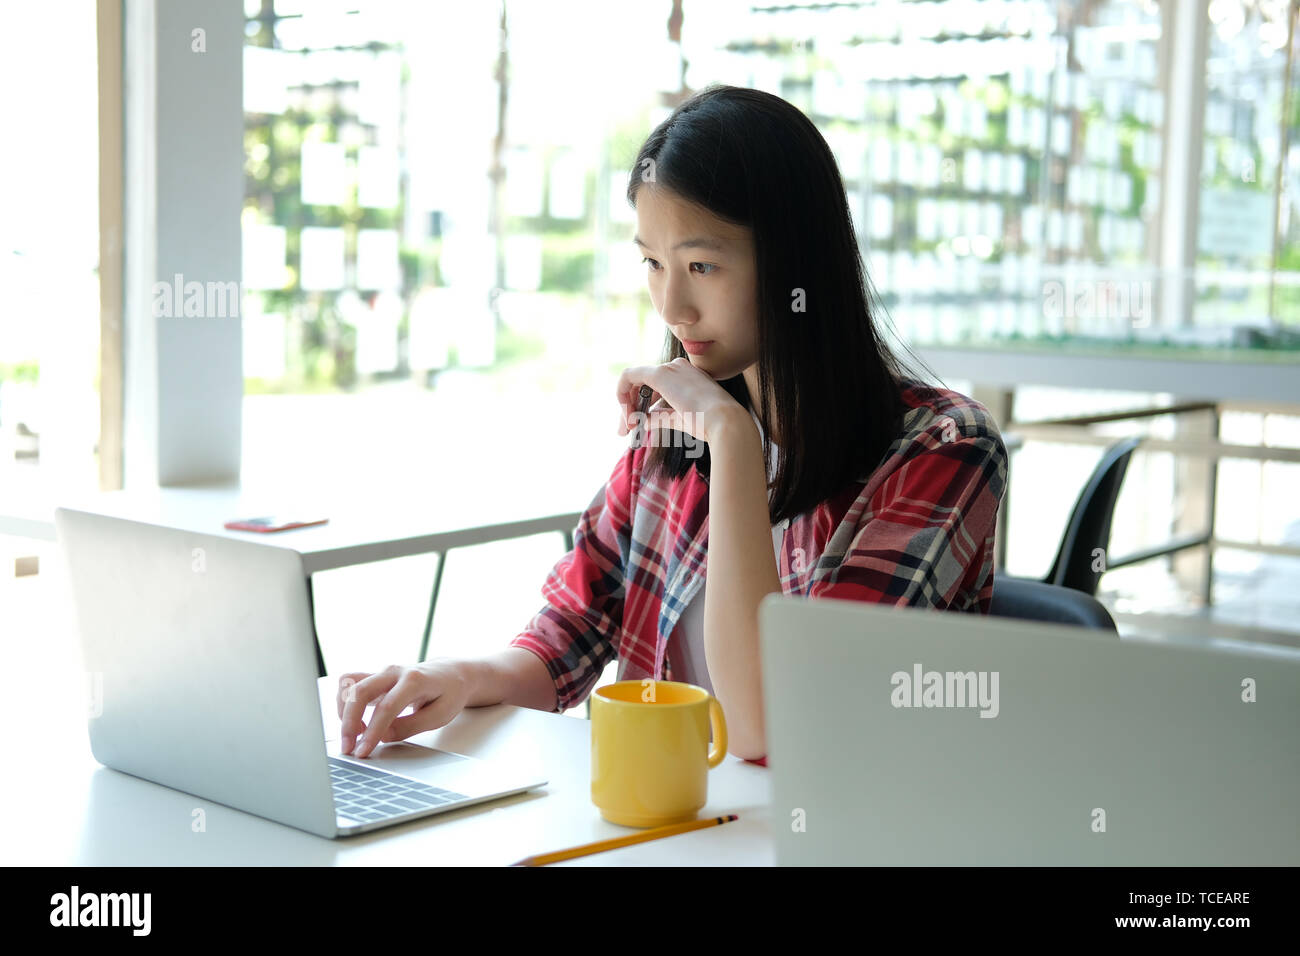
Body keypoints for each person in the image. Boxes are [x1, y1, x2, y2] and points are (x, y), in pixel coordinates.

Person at [338, 84, 1008, 765]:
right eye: (653, 264)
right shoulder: (674, 430)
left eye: (701, 266)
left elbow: (771, 727)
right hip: (667, 821)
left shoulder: (944, 446)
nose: (673, 307)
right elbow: (567, 635)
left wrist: (734, 443)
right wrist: (454, 677)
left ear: (794, 266)